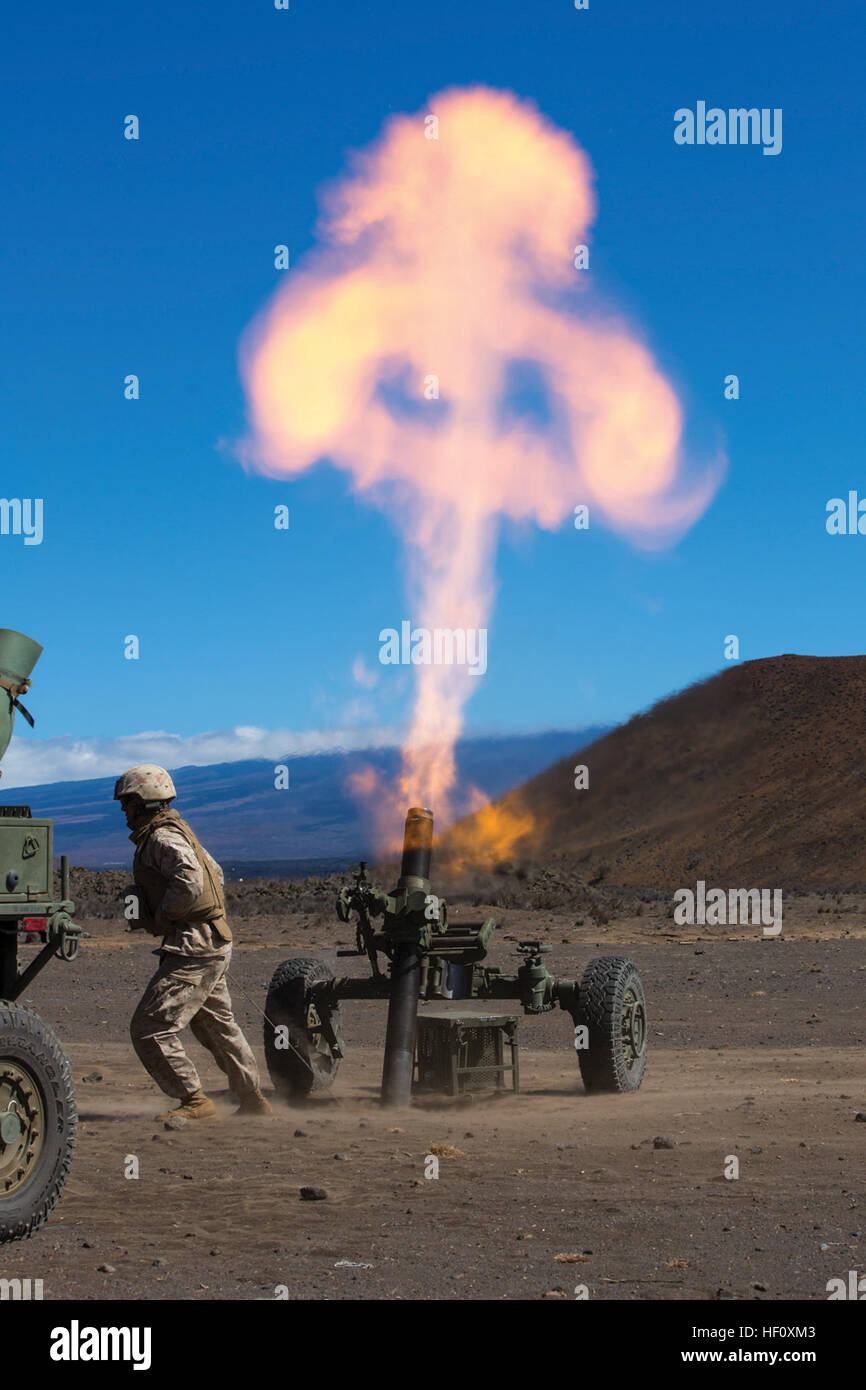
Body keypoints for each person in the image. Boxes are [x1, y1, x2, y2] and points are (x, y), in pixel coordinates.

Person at [115, 764, 272, 1120]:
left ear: (145, 802)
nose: (124, 811)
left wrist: (165, 916)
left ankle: (194, 1100)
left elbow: (191, 879)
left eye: (128, 803)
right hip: (211, 939)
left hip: (193, 946)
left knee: (150, 1027)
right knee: (215, 1023)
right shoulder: (178, 831)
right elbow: (213, 872)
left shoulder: (160, 838)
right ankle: (253, 1100)